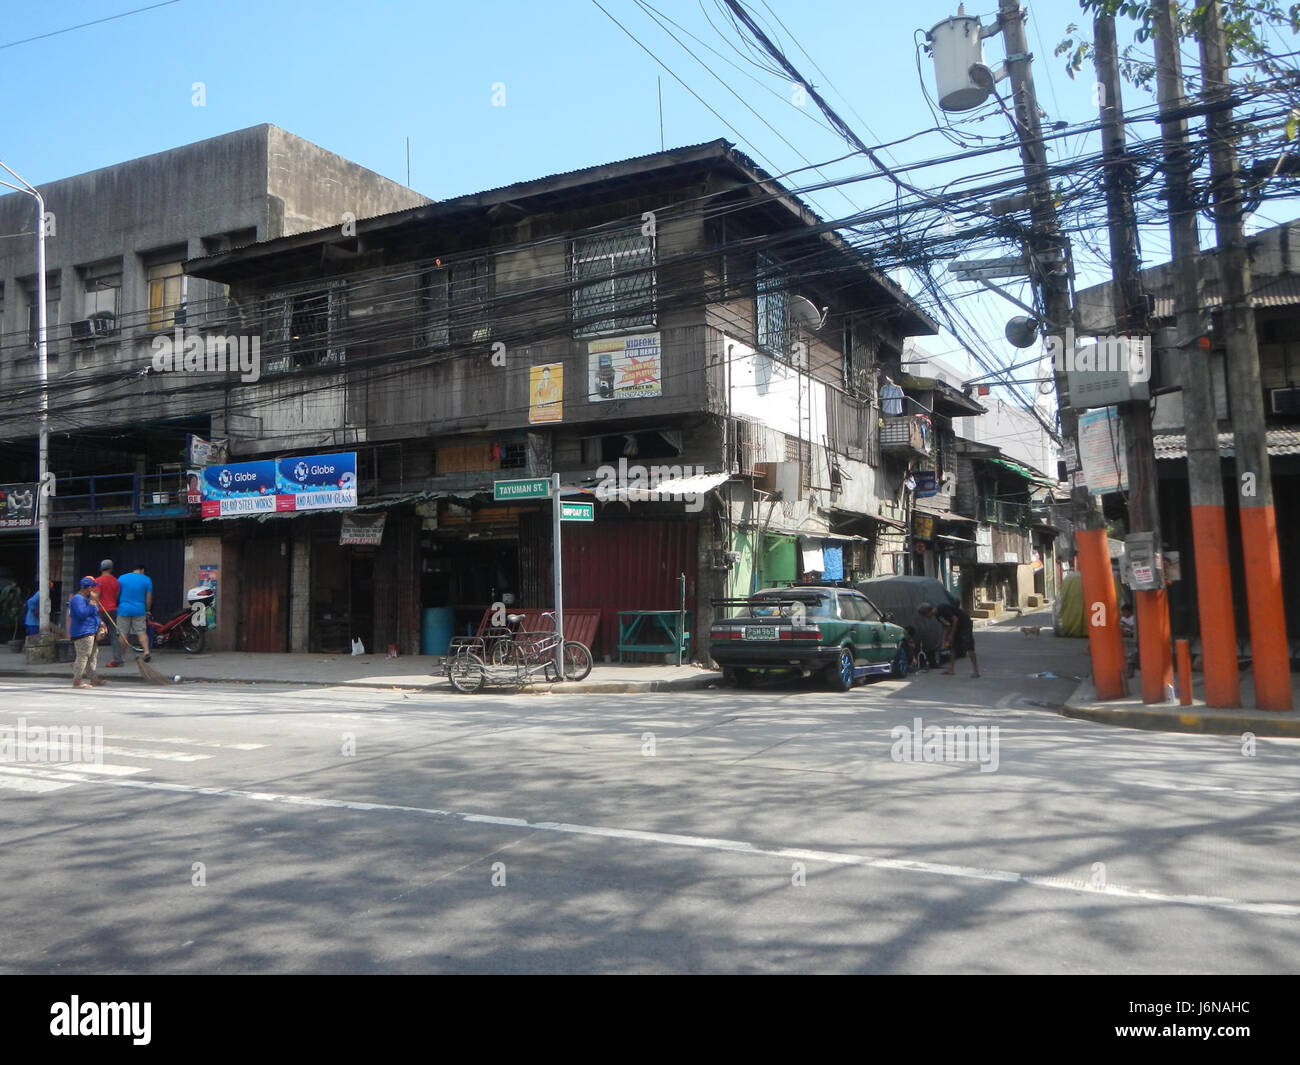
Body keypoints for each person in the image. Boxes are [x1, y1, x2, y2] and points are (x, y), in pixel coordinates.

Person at [917, 600, 980, 678]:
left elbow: (955, 619)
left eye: (925, 616)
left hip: (964, 624)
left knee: (969, 646)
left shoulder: (942, 608)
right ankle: (951, 670)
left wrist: (951, 635)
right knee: (952, 647)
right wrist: (944, 638)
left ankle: (975, 671)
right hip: (956, 626)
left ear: (927, 612)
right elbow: (946, 625)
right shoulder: (937, 615)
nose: (926, 618)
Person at [66, 577, 104, 688]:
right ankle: (77, 681)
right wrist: (92, 602)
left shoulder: (86, 599)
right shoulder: (78, 599)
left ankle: (93, 678)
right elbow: (82, 614)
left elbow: (94, 614)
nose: (95, 590)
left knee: (92, 657)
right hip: (82, 632)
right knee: (83, 656)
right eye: (93, 588)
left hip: (91, 630)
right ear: (88, 588)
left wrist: (100, 623)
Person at [116, 563, 154, 661]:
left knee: (123, 633)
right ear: (142, 570)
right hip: (139, 609)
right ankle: (146, 652)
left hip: (124, 609)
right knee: (141, 632)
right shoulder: (146, 580)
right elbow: (148, 598)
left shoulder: (122, 578)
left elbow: (117, 594)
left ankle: (120, 655)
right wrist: (148, 610)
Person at [97, 559, 123, 667]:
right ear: (111, 569)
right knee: (113, 635)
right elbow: (117, 596)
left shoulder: (98, 581)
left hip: (100, 610)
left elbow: (96, 596)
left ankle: (85, 659)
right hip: (112, 609)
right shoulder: (115, 581)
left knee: (93, 635)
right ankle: (117, 658)